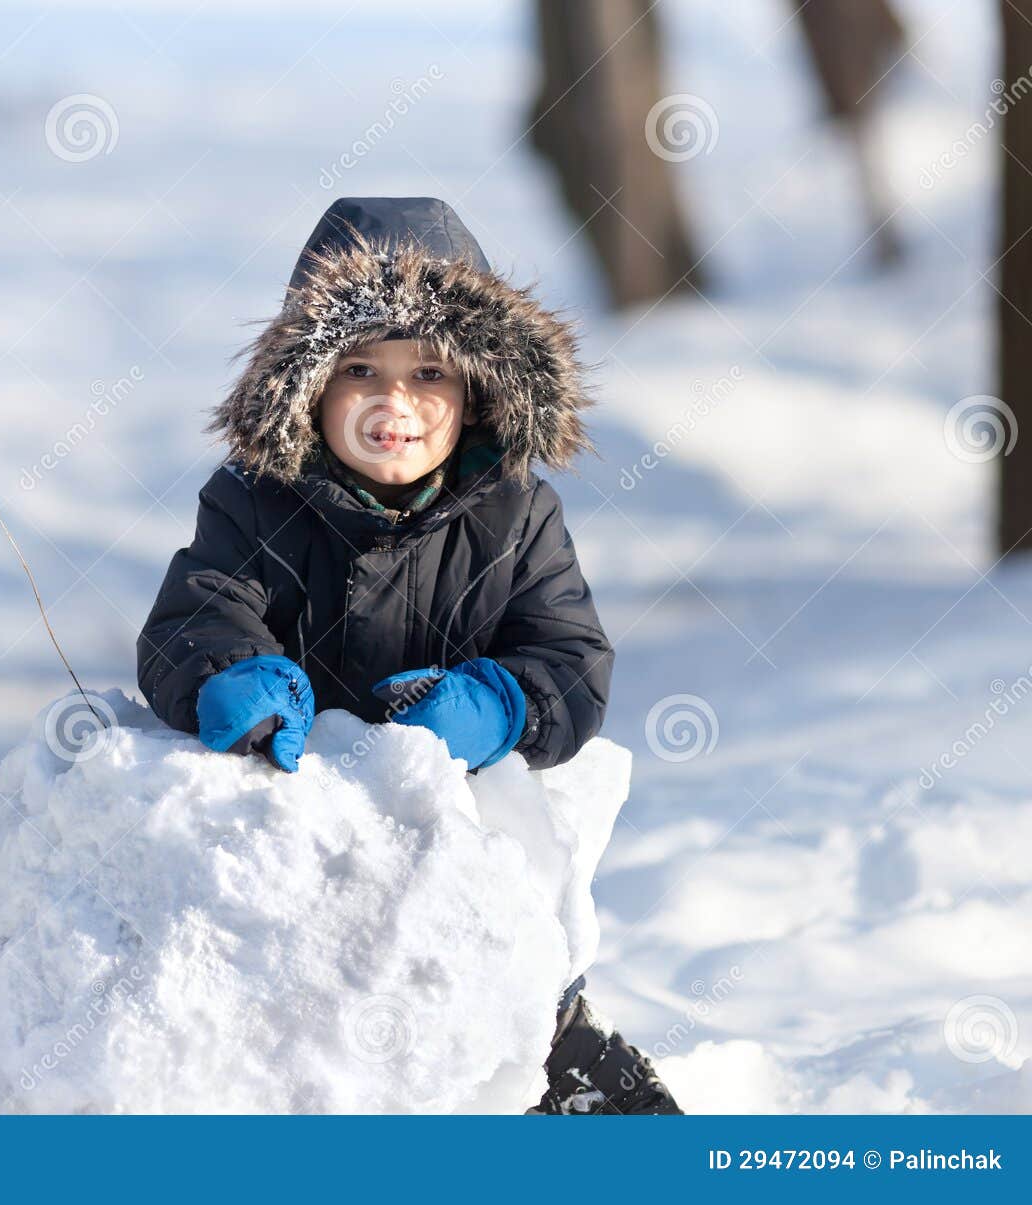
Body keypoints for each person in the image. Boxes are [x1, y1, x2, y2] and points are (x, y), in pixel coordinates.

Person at [137, 196, 680, 1115]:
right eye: (361, 371)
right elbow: (199, 611)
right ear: (308, 388)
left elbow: (570, 652)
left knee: (504, 983)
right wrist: (233, 673)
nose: (397, 403)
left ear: (478, 387)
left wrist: (502, 703)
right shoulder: (252, 502)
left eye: (430, 370)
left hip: (460, 832)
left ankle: (556, 1077)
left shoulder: (516, 511)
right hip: (299, 828)